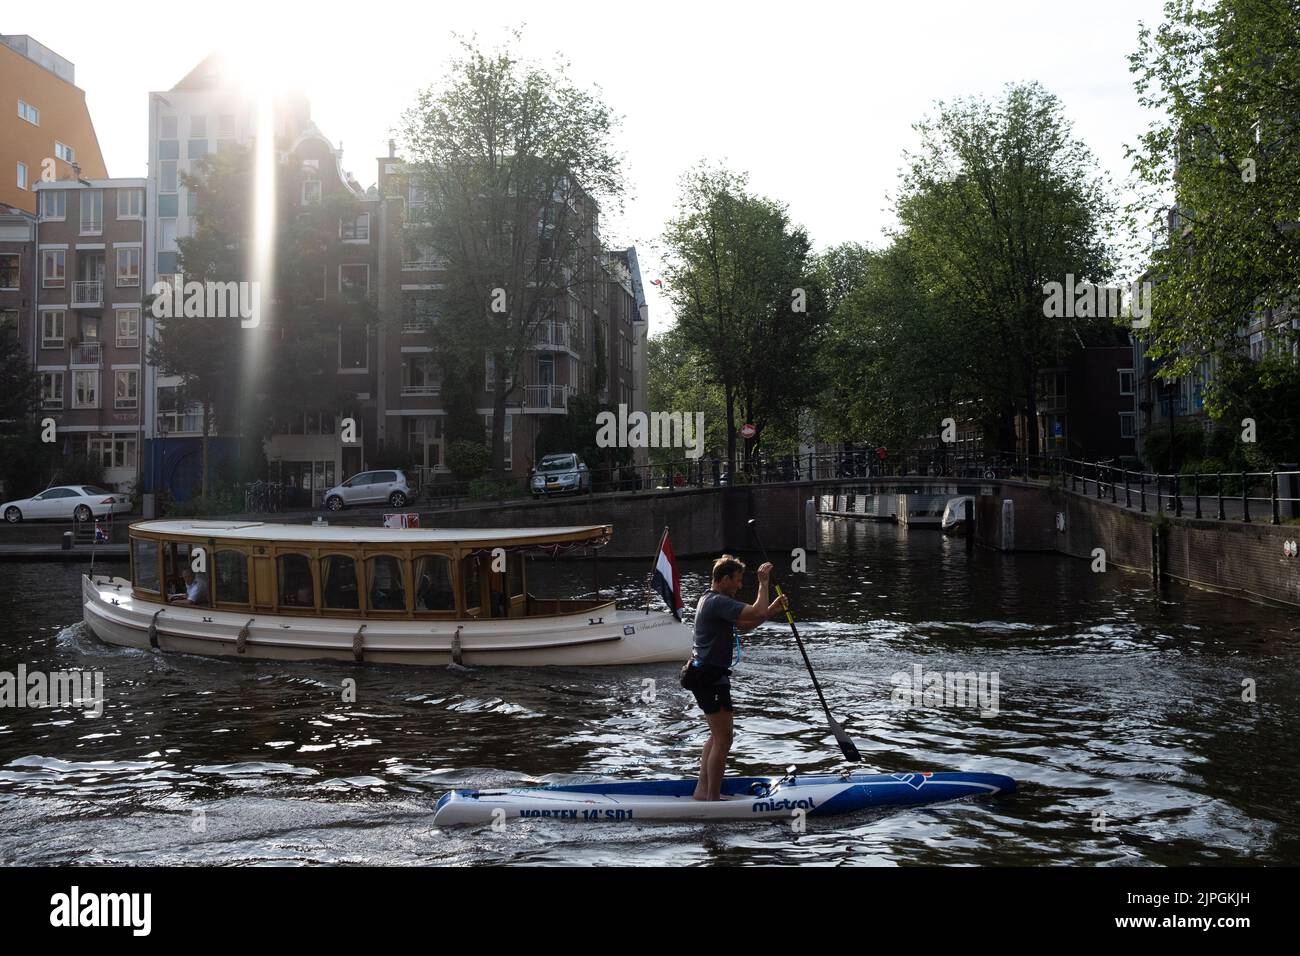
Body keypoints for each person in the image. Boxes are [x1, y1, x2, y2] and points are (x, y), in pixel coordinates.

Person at [686, 554, 787, 801]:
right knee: (724, 738)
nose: (740, 586)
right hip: (709, 677)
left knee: (716, 736)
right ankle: (712, 799)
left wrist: (772, 609)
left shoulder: (710, 600)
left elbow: (745, 623)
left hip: (704, 674)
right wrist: (763, 583)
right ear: (724, 579)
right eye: (738, 581)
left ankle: (703, 792)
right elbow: (755, 610)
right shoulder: (717, 601)